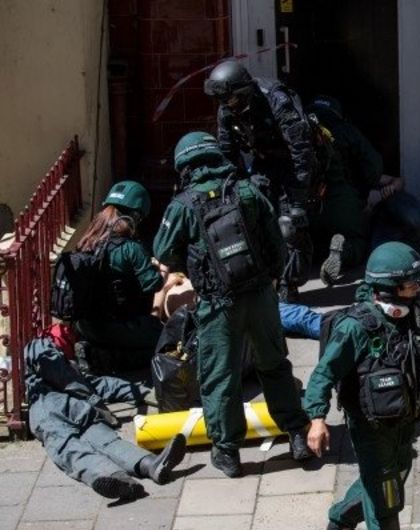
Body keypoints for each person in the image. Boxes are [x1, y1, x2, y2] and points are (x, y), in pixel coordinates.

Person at [153, 131, 312, 478]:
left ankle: (227, 453)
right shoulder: (246, 191)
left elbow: (164, 251)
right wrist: (270, 279)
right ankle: (298, 435)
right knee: (274, 365)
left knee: (220, 376)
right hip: (260, 296)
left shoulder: (182, 205)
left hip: (217, 304)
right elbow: (277, 239)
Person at [304, 241, 420, 530]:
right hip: (371, 428)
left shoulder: (412, 316)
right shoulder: (356, 328)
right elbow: (322, 375)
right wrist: (316, 419)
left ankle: (338, 523)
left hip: (406, 422)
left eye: (418, 283)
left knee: (392, 477)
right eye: (409, 285)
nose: (417, 290)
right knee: (386, 499)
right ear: (387, 288)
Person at [305, 95, 420, 287]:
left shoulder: (357, 174)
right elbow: (371, 170)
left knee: (406, 209)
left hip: (382, 210)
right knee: (380, 252)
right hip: (367, 223)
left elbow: (399, 181)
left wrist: (386, 191)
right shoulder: (347, 170)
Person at [204, 60, 317, 302]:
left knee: (289, 225)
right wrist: (232, 191)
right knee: (251, 218)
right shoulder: (227, 108)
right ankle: (265, 279)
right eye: (224, 101)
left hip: (292, 166)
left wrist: (298, 198)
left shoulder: (276, 101)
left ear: (243, 92)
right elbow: (227, 152)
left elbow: (301, 149)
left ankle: (290, 284)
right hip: (263, 165)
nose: (227, 105)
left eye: (231, 99)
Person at [26, 336, 187, 500]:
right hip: (59, 405)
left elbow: (107, 385)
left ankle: (132, 470)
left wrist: (149, 394)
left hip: (60, 408)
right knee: (105, 442)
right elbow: (62, 373)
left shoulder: (66, 369)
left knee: (72, 448)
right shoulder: (37, 348)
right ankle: (144, 467)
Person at [72, 180, 178, 373]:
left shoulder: (87, 241)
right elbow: (152, 285)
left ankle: (93, 350)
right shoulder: (131, 248)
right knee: (166, 337)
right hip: (116, 326)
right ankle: (109, 359)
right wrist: (163, 267)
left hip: (84, 325)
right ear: (135, 215)